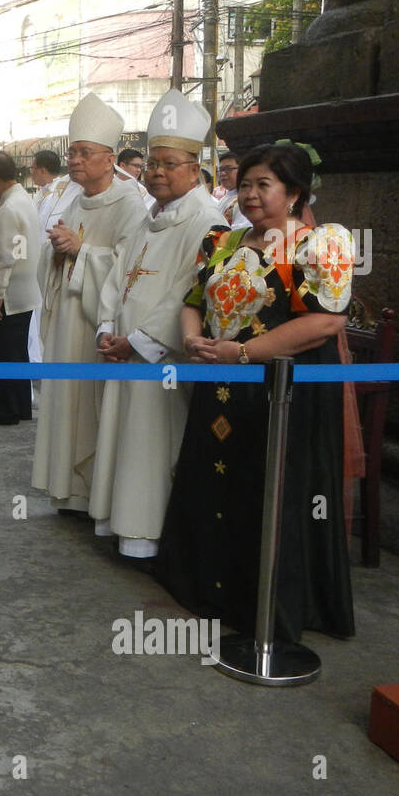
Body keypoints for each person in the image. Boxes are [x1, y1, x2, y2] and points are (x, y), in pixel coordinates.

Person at [156, 141, 356, 642]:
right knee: (216, 479)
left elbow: (326, 321)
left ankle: (266, 605)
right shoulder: (223, 241)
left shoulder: (318, 244)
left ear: (293, 193)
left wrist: (245, 353)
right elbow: (193, 300)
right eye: (244, 184)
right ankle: (211, 589)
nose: (249, 194)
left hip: (282, 391)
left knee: (268, 487)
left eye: (263, 185)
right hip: (220, 383)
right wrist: (191, 337)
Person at [90, 89, 227, 558]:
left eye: (169, 164)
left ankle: (147, 537)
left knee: (150, 443)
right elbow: (116, 274)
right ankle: (118, 524)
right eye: (152, 163)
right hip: (125, 349)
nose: (157, 172)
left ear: (195, 169)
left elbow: (190, 292)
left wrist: (141, 341)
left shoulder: (207, 220)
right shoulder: (152, 216)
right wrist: (106, 326)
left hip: (159, 357)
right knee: (122, 435)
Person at [32, 93, 149, 514]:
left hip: (96, 323)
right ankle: (67, 489)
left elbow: (129, 268)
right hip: (67, 318)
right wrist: (58, 251)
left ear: (110, 158)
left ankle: (90, 492)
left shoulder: (130, 203)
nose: (75, 160)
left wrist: (82, 250)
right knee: (65, 401)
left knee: (92, 408)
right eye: (73, 152)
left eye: (85, 153)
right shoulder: (73, 198)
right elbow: (54, 255)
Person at [0, 150, 42, 426]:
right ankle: (21, 406)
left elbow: (5, 257)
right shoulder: (24, 201)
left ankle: (5, 410)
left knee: (2, 353)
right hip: (23, 292)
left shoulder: (7, 210)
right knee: (17, 354)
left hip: (8, 296)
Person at [31, 149, 71, 228]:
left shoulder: (53, 194)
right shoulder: (45, 190)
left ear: (42, 171)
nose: (31, 172)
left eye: (32, 168)